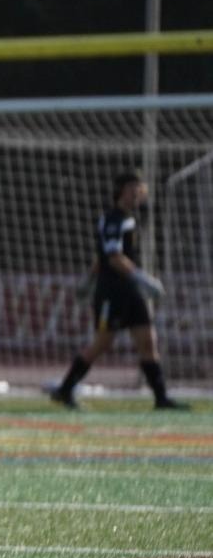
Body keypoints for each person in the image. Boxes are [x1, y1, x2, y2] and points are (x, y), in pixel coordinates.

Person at [49, 171, 189, 411]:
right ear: (121, 191)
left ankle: (161, 398)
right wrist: (144, 279)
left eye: (140, 189)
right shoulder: (114, 219)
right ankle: (65, 389)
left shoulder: (129, 219)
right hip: (112, 290)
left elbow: (101, 256)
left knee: (148, 341)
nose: (138, 194)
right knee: (102, 343)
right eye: (134, 189)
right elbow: (112, 258)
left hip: (130, 290)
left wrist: (91, 279)